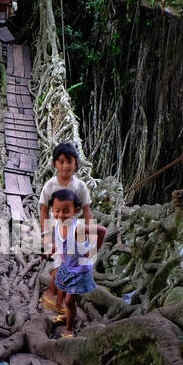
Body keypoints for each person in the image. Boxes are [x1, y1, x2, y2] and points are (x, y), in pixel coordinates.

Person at [38, 141, 92, 312]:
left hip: (75, 232)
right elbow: (44, 211)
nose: (65, 166)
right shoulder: (50, 186)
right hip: (57, 232)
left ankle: (57, 301)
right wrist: (46, 236)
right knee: (60, 267)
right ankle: (54, 298)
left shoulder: (80, 186)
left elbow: (87, 211)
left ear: (76, 163)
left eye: (69, 161)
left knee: (70, 268)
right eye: (61, 161)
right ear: (55, 164)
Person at [47, 188, 105, 338]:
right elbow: (59, 242)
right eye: (57, 210)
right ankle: (68, 315)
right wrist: (51, 250)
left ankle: (69, 329)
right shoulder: (57, 224)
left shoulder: (78, 228)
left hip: (80, 270)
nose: (60, 215)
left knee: (69, 301)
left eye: (65, 211)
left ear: (76, 211)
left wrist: (92, 252)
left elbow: (102, 231)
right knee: (64, 292)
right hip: (68, 266)